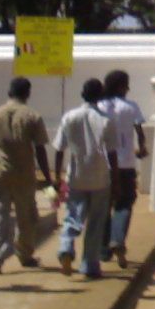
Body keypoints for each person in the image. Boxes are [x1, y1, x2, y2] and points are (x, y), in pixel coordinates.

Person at [0, 77, 53, 274]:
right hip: (24, 173)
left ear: (9, 92)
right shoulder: (32, 116)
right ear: (27, 93)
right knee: (26, 216)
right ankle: (25, 254)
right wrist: (47, 177)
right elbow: (40, 150)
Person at [53, 78, 117, 280]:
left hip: (76, 175)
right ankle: (89, 265)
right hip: (100, 177)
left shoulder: (69, 117)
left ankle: (66, 248)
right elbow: (112, 154)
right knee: (96, 222)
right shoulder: (106, 120)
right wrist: (115, 179)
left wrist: (57, 176)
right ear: (101, 96)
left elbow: (59, 149)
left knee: (72, 216)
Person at [97, 69, 147, 269]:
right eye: (126, 84)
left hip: (103, 164)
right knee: (125, 203)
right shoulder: (131, 107)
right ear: (121, 86)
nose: (128, 89)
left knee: (104, 205)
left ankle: (104, 250)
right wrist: (141, 149)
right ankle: (117, 239)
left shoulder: (99, 106)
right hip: (125, 164)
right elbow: (140, 132)